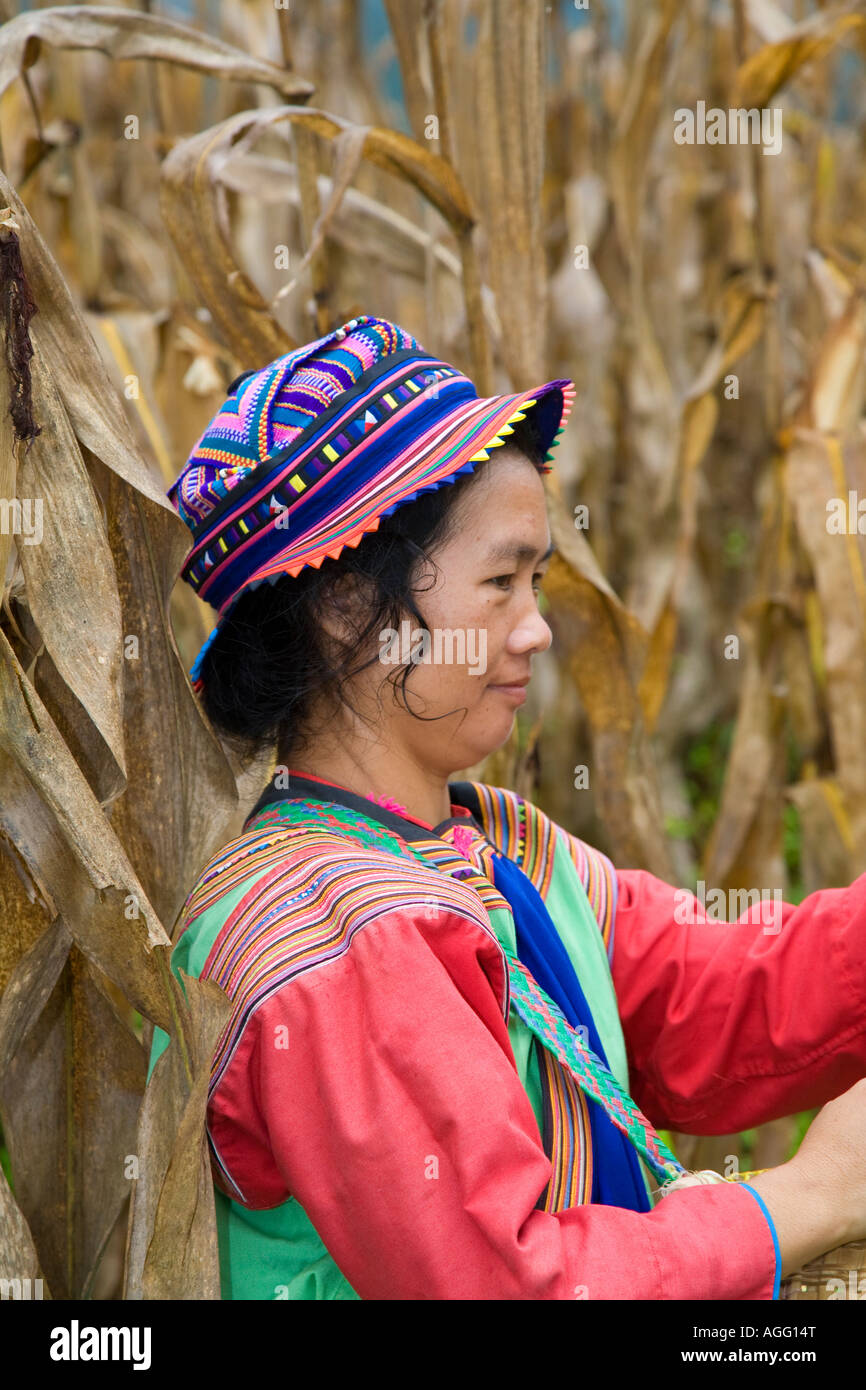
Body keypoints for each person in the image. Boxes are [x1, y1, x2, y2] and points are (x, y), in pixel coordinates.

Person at [150, 313, 866, 1300]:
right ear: (345, 604)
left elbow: (719, 1001)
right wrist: (812, 1196)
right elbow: (509, 1281)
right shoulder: (339, 935)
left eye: (535, 580)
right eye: (498, 582)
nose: (534, 628)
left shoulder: (488, 845)